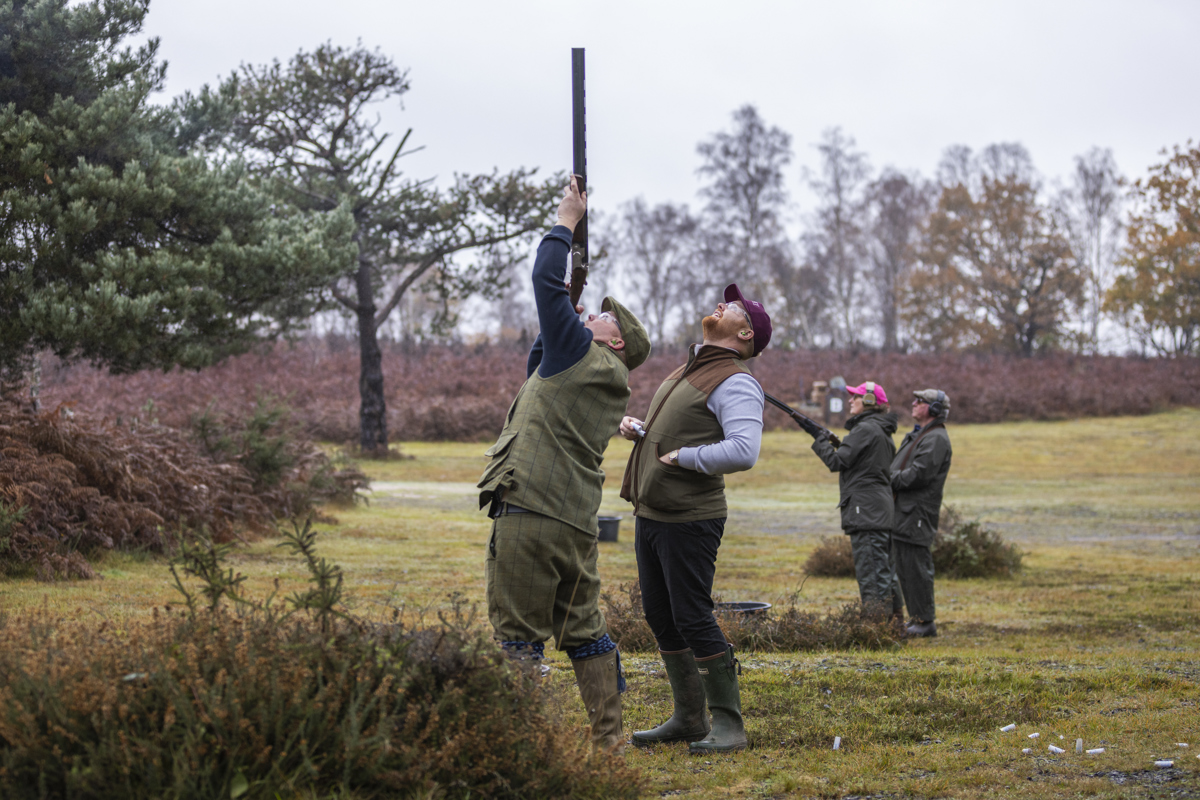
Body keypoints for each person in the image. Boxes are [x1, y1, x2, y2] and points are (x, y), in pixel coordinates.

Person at [477, 176, 651, 753]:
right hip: (573, 521)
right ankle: (610, 743)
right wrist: (561, 323)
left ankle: (516, 749)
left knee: (517, 638)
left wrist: (565, 219)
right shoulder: (604, 378)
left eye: (603, 318)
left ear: (615, 341)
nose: (593, 316)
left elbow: (542, 281)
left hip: (528, 510)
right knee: (585, 632)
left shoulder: (583, 353)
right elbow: (537, 376)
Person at [618, 285, 772, 754]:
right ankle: (688, 717)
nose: (721, 304)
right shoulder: (689, 370)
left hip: (690, 518)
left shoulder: (736, 381)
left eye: (734, 307)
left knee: (692, 615)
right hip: (654, 513)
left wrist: (684, 456)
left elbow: (744, 451)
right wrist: (638, 432)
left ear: (745, 333)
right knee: (661, 616)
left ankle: (729, 725)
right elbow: (677, 431)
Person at [810, 382, 899, 614]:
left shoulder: (865, 429)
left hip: (866, 512)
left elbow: (837, 462)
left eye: (856, 397)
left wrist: (819, 439)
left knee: (870, 570)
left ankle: (876, 625)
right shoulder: (879, 429)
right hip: (878, 510)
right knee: (883, 570)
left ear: (869, 402)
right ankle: (893, 623)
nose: (850, 400)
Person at [891, 389, 953, 638]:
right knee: (905, 567)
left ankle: (925, 622)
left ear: (934, 409)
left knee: (917, 568)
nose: (914, 404)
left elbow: (919, 475)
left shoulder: (936, 438)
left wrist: (885, 478)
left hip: (916, 513)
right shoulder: (922, 435)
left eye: (921, 401)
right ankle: (917, 619)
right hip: (906, 511)